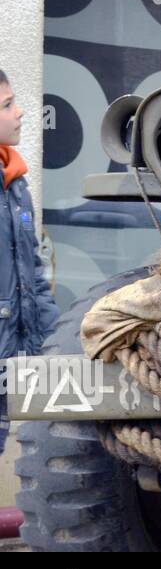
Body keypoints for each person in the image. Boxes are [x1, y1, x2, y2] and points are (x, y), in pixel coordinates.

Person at [0, 67, 61, 455]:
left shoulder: (16, 185)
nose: (21, 112)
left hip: (12, 360)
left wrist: (56, 347)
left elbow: (35, 279)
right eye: (7, 105)